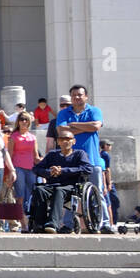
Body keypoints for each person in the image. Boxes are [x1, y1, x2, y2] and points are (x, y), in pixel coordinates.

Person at [56, 84, 109, 232]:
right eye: (74, 95)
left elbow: (96, 126)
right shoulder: (64, 113)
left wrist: (73, 126)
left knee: (98, 193)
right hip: (72, 161)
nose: (77, 98)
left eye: (80, 95)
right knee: (72, 194)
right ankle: (68, 224)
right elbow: (61, 131)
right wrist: (86, 127)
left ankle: (104, 224)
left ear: (86, 96)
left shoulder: (94, 110)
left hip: (93, 160)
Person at [30, 127, 94, 232]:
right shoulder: (52, 155)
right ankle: (40, 224)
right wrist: (48, 172)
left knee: (59, 191)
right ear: (58, 142)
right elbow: (36, 169)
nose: (65, 141)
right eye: (62, 139)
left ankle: (52, 224)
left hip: (71, 186)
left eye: (68, 139)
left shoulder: (79, 154)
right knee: (39, 190)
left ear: (73, 141)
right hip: (52, 184)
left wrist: (63, 170)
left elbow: (87, 168)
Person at [9, 111, 43, 232]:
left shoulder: (32, 137)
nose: (24, 122)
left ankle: (30, 220)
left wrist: (48, 160)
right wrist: (9, 172)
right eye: (22, 119)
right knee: (20, 196)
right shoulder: (13, 136)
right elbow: (9, 155)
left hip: (30, 169)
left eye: (26, 119)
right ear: (18, 121)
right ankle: (23, 224)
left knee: (30, 196)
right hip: (17, 167)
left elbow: (36, 157)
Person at [101, 139, 120, 226]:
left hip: (104, 181)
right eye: (108, 144)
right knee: (114, 202)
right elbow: (107, 170)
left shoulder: (101, 154)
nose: (110, 146)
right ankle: (112, 223)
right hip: (107, 182)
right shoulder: (105, 155)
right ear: (105, 146)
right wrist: (109, 183)